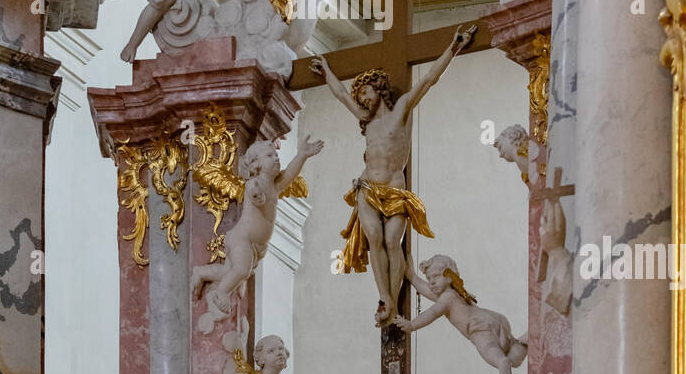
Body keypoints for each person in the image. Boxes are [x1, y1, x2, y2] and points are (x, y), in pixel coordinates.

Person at [313, 24, 476, 326]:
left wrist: (453, 48)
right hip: (367, 187)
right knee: (374, 237)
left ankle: (391, 296)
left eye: (365, 91)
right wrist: (326, 73)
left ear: (379, 89)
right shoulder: (366, 120)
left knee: (392, 241)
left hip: (395, 188)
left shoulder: (401, 109)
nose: (362, 98)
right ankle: (386, 300)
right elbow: (339, 95)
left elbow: (428, 80)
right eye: (360, 95)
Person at [192, 136, 323, 321]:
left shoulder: (275, 186)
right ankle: (221, 293)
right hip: (242, 239)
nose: (276, 158)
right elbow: (251, 188)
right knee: (241, 271)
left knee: (230, 271)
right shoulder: (256, 183)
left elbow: (291, 174)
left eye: (276, 155)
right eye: (270, 155)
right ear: (255, 164)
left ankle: (201, 273)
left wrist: (302, 155)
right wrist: (256, 196)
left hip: (256, 245)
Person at [396, 254, 527, 374]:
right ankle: (527, 341)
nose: (431, 282)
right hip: (495, 319)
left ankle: (501, 362)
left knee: (488, 348)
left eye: (436, 276)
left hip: (477, 327)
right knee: (514, 353)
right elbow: (425, 289)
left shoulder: (447, 298)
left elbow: (433, 312)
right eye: (429, 278)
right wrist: (411, 276)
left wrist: (412, 325)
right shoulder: (456, 293)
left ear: (449, 277)